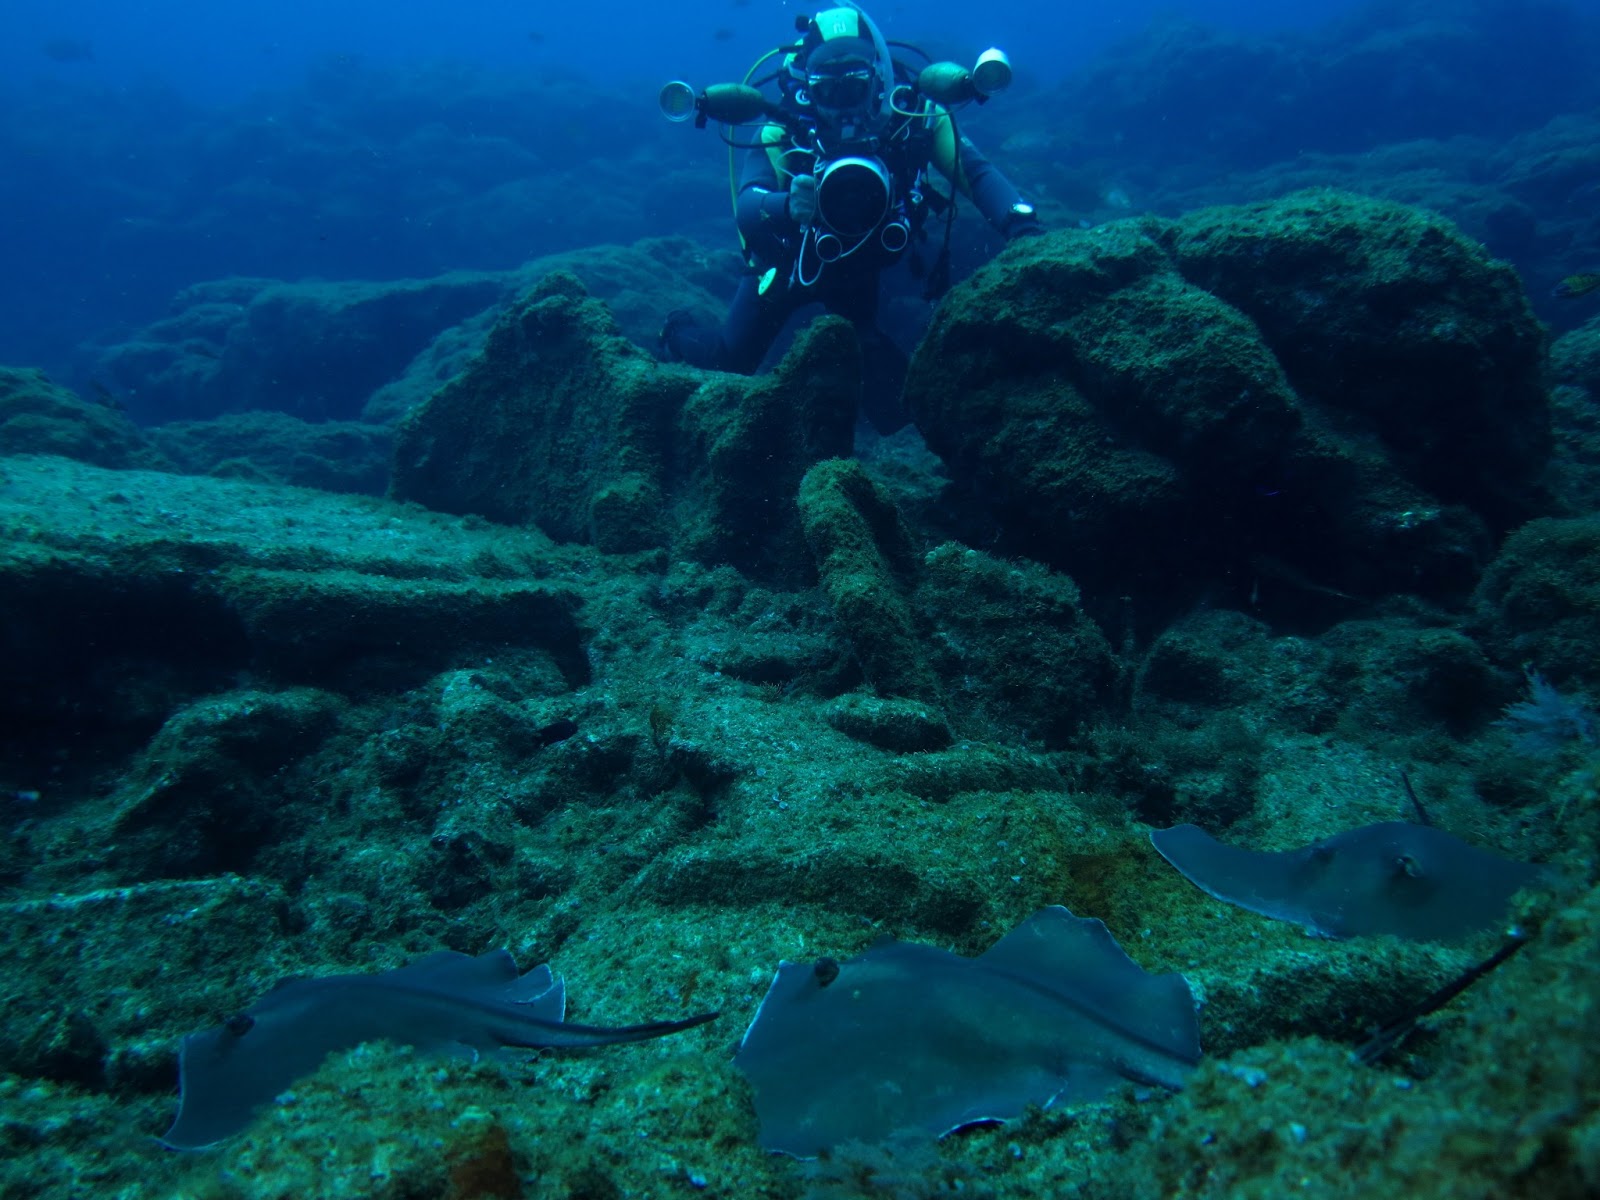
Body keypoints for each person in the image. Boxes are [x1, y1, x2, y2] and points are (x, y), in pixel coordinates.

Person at [659, 3, 1042, 433]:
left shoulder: (913, 119)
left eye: (855, 85)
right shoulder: (784, 132)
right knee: (727, 364)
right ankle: (676, 329)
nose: (842, 105)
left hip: (869, 262)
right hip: (790, 264)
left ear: (878, 77)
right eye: (828, 90)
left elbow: (977, 174)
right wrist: (786, 206)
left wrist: (1022, 228)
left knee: (892, 409)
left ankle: (861, 339)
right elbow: (749, 209)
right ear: (808, 85)